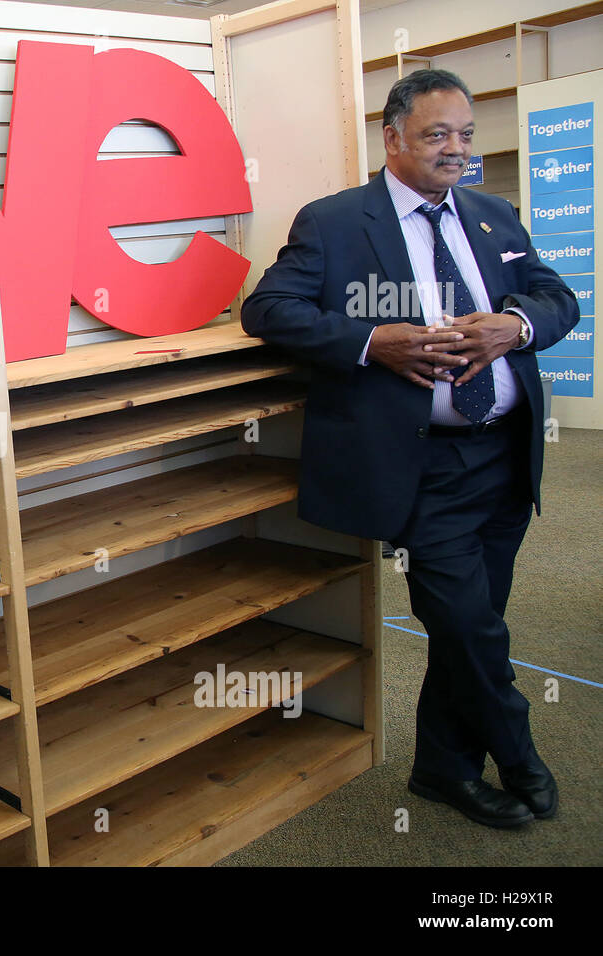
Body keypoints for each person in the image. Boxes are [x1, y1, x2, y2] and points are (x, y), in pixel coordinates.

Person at [240, 69, 579, 829]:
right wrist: (370, 342)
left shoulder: (495, 216)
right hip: (421, 466)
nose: (456, 150)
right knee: (467, 623)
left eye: (465, 135)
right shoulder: (334, 222)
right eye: (437, 135)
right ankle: (518, 752)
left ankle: (442, 770)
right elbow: (267, 309)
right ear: (391, 138)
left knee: (474, 624)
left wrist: (514, 326)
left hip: (505, 454)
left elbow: (560, 299)